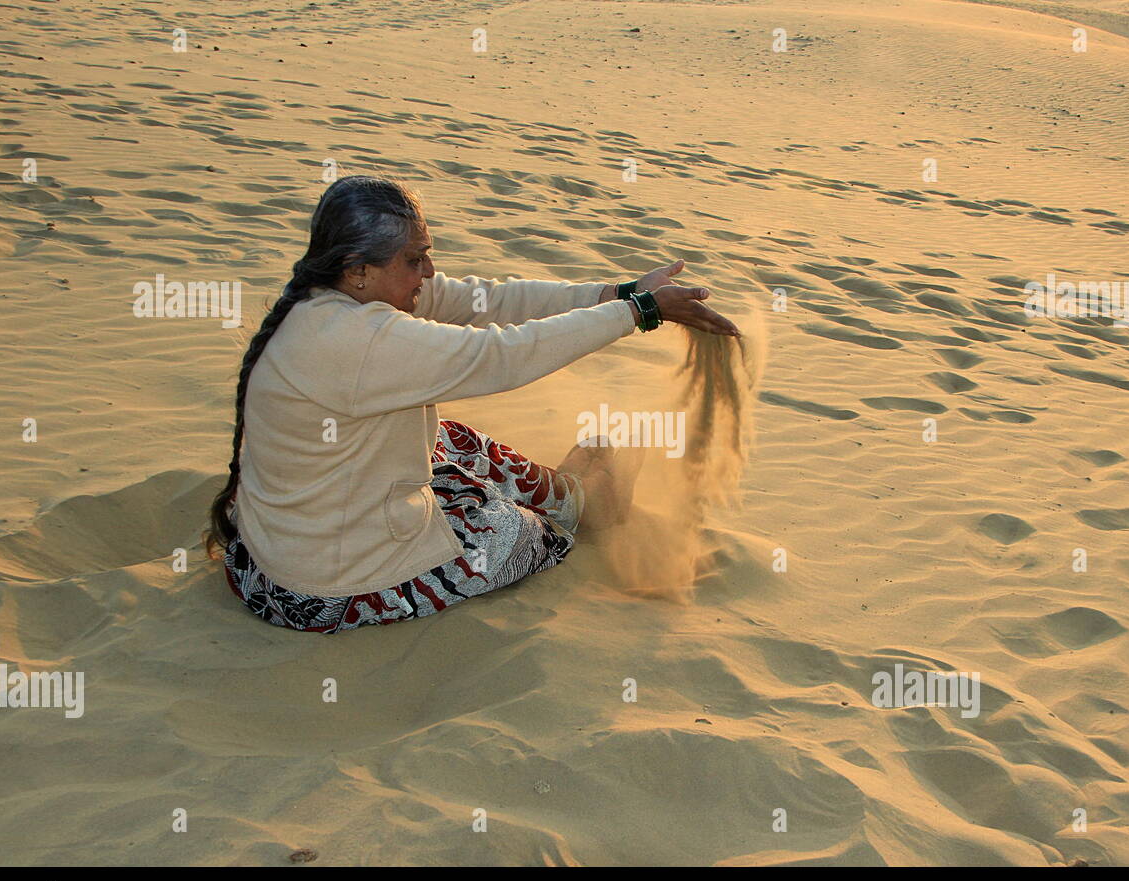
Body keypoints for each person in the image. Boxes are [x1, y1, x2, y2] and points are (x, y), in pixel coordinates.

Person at [205, 175, 740, 633]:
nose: (429, 272)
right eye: (415, 260)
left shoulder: (336, 296)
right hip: (325, 591)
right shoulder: (360, 337)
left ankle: (574, 495)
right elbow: (500, 356)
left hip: (275, 557)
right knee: (512, 531)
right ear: (357, 266)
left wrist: (619, 292)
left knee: (450, 439)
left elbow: (493, 301)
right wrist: (639, 312)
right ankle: (579, 506)